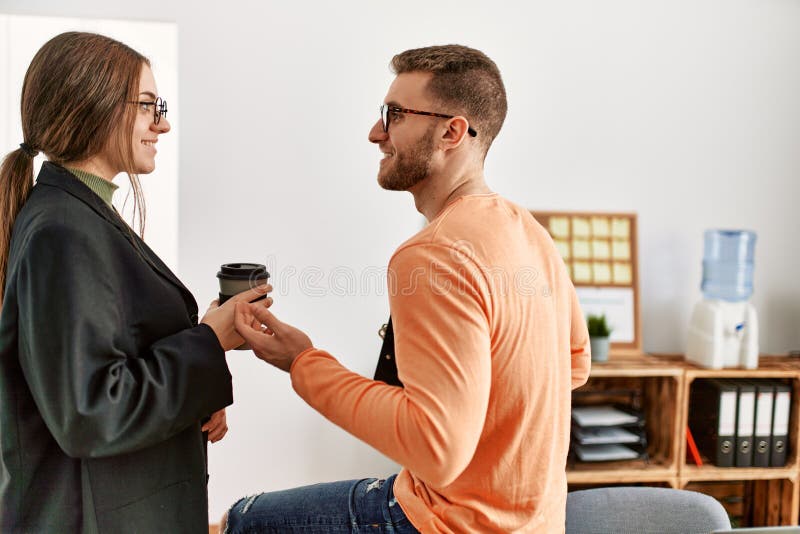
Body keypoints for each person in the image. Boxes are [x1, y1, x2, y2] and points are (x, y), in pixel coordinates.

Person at [225, 44, 591, 533]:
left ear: (451, 131)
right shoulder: (528, 232)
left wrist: (302, 362)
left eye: (393, 115)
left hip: (447, 525)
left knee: (243, 522)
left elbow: (436, 451)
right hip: (537, 525)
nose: (376, 132)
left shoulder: (433, 255)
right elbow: (576, 364)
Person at [0, 32, 268, 533]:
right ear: (93, 106)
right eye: (149, 105)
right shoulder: (63, 231)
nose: (162, 124)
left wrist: (198, 385)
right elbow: (90, 410)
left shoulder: (78, 218)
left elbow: (110, 363)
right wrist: (209, 341)